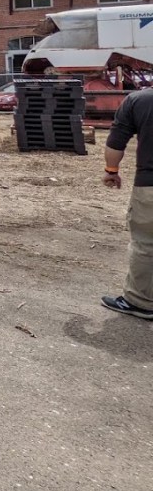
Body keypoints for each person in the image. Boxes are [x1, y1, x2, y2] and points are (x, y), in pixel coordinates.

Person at [101, 86, 153, 319]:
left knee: (146, 243)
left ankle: (140, 302)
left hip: (150, 184)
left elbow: (116, 142)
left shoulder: (140, 100)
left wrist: (111, 171)